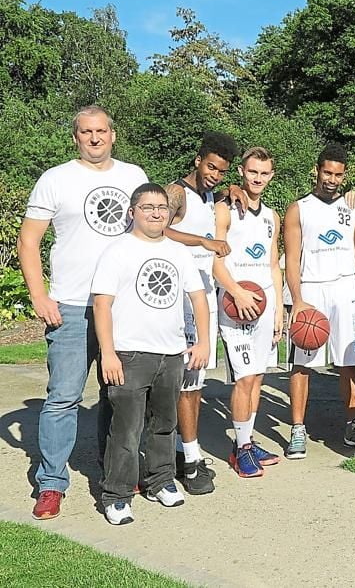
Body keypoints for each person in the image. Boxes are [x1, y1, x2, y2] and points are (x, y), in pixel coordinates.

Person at [18, 105, 148, 520]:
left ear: (113, 134)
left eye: (102, 131)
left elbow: (154, 226)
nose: (95, 138)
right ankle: (52, 483)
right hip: (72, 305)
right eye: (86, 132)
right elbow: (29, 240)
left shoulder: (133, 176)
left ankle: (118, 475)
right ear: (76, 137)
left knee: (120, 397)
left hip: (123, 305)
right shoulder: (55, 179)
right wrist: (39, 295)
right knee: (63, 398)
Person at [92, 183, 210, 524]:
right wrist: (108, 353)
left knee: (165, 424)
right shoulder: (117, 251)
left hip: (171, 353)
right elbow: (102, 305)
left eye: (161, 207)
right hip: (129, 354)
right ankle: (117, 494)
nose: (156, 212)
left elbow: (198, 297)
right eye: (147, 207)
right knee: (126, 430)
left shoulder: (178, 252)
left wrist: (202, 341)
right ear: (132, 213)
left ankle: (160, 480)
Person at [283, 143, 355, 456]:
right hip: (311, 290)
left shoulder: (352, 208)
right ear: (317, 170)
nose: (332, 179)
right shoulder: (299, 208)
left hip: (345, 289)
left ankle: (353, 425)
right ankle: (298, 429)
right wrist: (296, 299)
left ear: (344, 175)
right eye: (327, 172)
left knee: (349, 362)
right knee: (302, 364)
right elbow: (292, 260)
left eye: (338, 174)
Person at [162, 132, 239, 495]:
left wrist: (232, 189)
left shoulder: (213, 196)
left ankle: (183, 453)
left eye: (222, 171)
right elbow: (155, 227)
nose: (215, 175)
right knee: (180, 382)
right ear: (197, 160)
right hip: (175, 297)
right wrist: (203, 242)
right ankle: (188, 460)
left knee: (194, 382)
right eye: (211, 167)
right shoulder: (174, 193)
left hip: (203, 296)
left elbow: (221, 192)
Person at [212, 147, 285, 478]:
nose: (257, 178)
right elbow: (213, 258)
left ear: (271, 176)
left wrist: (281, 308)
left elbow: (272, 264)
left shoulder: (272, 217)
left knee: (257, 376)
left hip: (264, 305)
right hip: (234, 305)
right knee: (243, 378)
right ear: (242, 172)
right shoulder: (224, 210)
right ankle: (239, 449)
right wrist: (235, 291)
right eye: (252, 171)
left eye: (264, 173)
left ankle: (248, 440)